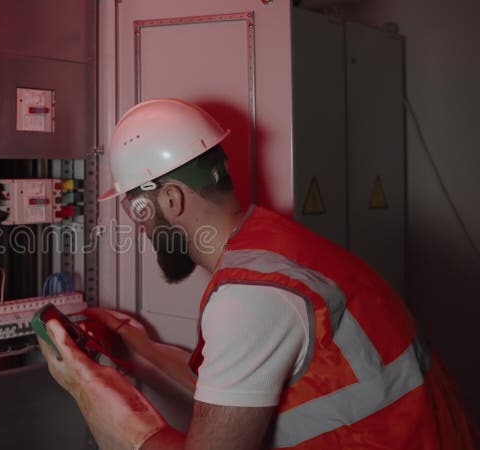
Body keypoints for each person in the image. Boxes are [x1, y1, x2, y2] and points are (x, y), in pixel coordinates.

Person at [36, 98, 477, 449]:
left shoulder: (251, 297)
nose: (140, 227)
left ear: (170, 200)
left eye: (137, 210)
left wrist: (88, 389)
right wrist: (142, 351)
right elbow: (239, 395)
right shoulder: (278, 249)